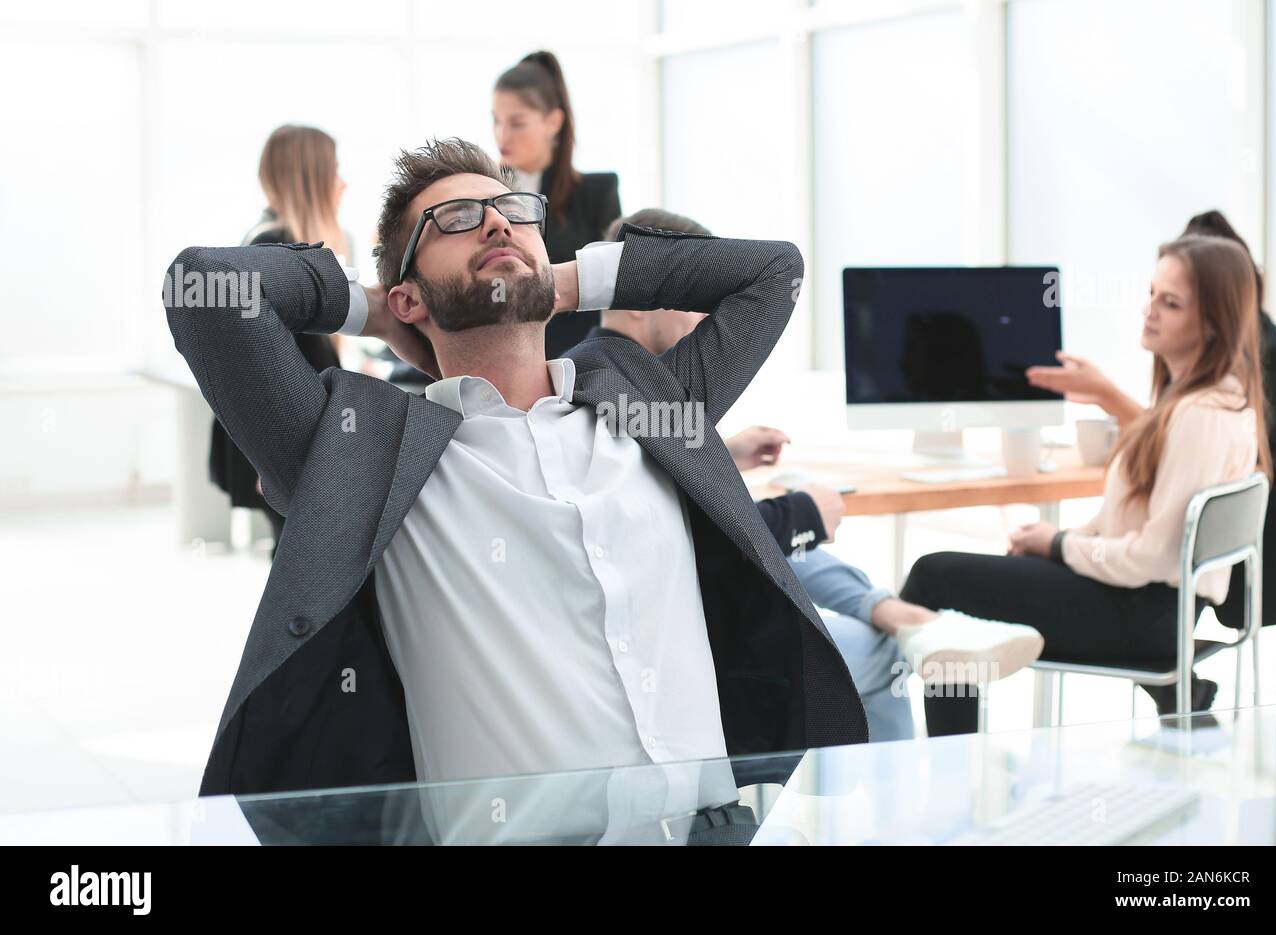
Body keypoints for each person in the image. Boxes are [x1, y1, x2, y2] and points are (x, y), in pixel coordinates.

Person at [166, 137, 870, 800]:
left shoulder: (649, 402)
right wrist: (372, 310)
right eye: (456, 220)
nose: (497, 226)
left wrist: (564, 282)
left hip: (715, 831)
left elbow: (774, 272)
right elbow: (206, 288)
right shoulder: (364, 450)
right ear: (409, 295)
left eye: (513, 213)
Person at [583, 208, 1048, 742]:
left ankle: (904, 617)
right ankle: (907, 647)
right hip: (691, 642)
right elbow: (688, 541)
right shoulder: (625, 391)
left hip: (693, 604)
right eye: (702, 305)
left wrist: (724, 453)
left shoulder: (607, 379)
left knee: (796, 549)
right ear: (654, 295)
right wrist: (803, 513)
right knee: (879, 646)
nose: (710, 327)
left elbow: (648, 482)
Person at [902, 234, 1271, 734]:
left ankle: (948, 773)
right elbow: (1133, 520)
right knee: (951, 584)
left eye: (1171, 303)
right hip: (1150, 607)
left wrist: (1058, 543)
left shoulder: (1198, 416)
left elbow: (1154, 558)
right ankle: (954, 771)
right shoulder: (1196, 401)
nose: (1149, 311)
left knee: (934, 579)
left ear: (1211, 324)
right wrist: (1056, 547)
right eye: (1151, 293)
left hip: (1144, 617)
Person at [1026, 210, 1276, 714]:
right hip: (1178, 567)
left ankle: (1176, 690)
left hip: (1219, 561)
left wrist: (1108, 396)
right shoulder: (1209, 378)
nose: (1153, 308)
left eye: (1174, 299)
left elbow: (1186, 450)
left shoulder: (1253, 369)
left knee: (948, 579)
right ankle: (1179, 695)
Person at [207, 124, 349, 549]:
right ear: (312, 178)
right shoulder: (277, 249)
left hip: (281, 440)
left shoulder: (268, 242)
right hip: (282, 443)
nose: (344, 182)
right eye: (335, 170)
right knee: (303, 561)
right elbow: (262, 363)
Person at [493, 51, 621, 358]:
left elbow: (614, 286)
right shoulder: (484, 197)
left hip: (577, 360)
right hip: (501, 359)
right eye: (496, 121)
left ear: (553, 121)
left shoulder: (596, 192)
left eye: (517, 123)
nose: (501, 135)